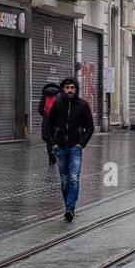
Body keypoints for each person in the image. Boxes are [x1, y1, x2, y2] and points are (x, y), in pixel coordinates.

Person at [43, 77, 95, 222]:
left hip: (75, 148)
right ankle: (69, 207)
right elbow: (48, 125)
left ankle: (70, 208)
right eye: (67, 88)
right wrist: (53, 144)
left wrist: (81, 143)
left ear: (76, 89)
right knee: (65, 181)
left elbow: (90, 127)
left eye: (72, 87)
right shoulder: (57, 104)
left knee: (73, 179)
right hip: (59, 148)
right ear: (63, 89)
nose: (70, 90)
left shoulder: (83, 105)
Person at [38, 80, 62, 164]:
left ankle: (51, 158)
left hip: (47, 120)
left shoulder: (44, 95)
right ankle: (57, 154)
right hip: (57, 121)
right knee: (56, 138)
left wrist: (46, 116)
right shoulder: (59, 95)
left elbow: (40, 109)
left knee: (48, 140)